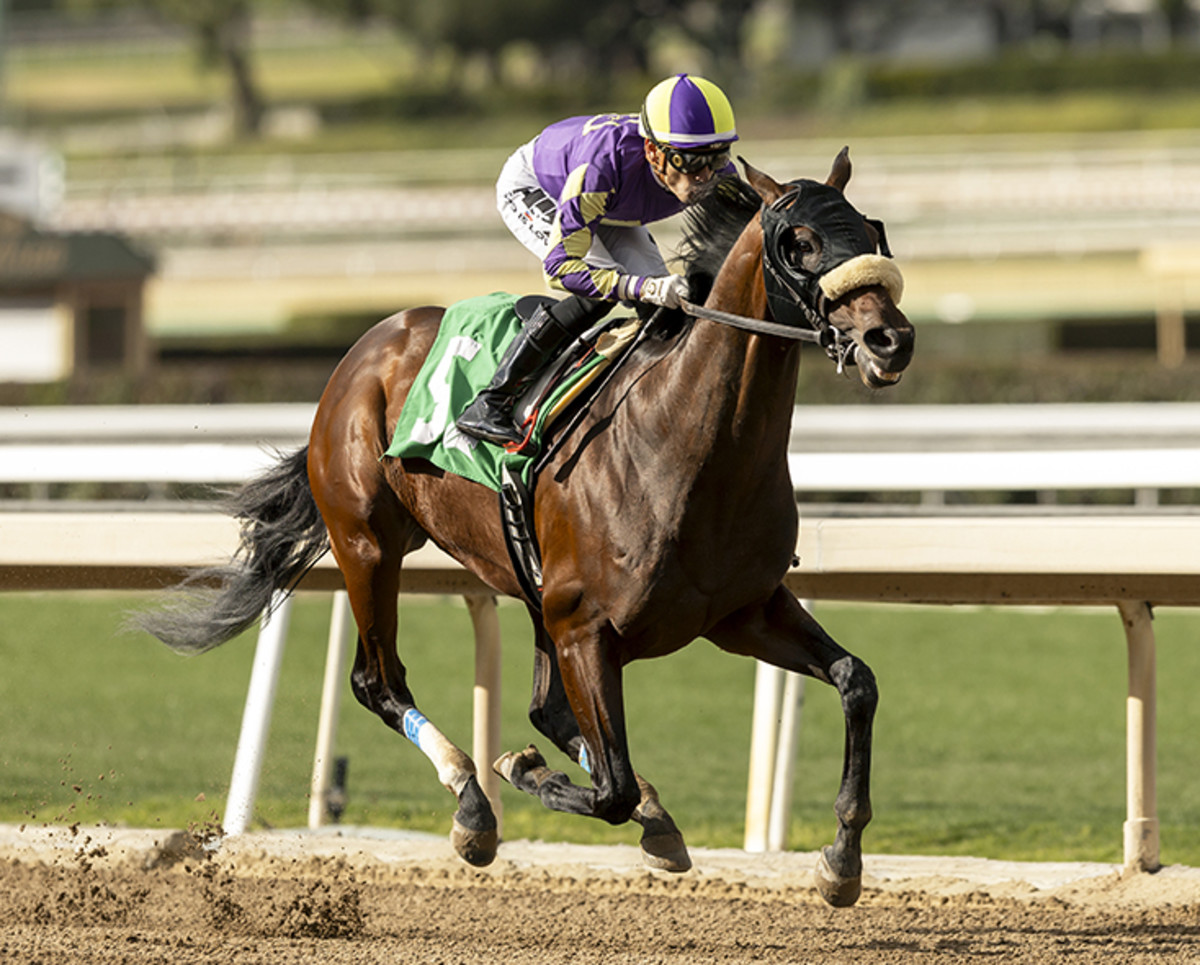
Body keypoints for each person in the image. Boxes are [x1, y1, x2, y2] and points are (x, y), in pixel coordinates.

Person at [454, 72, 738, 447]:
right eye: (689, 160)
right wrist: (644, 286)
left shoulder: (718, 174)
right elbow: (560, 270)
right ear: (653, 152)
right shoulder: (601, 167)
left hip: (609, 204)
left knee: (666, 312)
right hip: (541, 188)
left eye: (716, 157)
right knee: (602, 290)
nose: (705, 175)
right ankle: (492, 401)